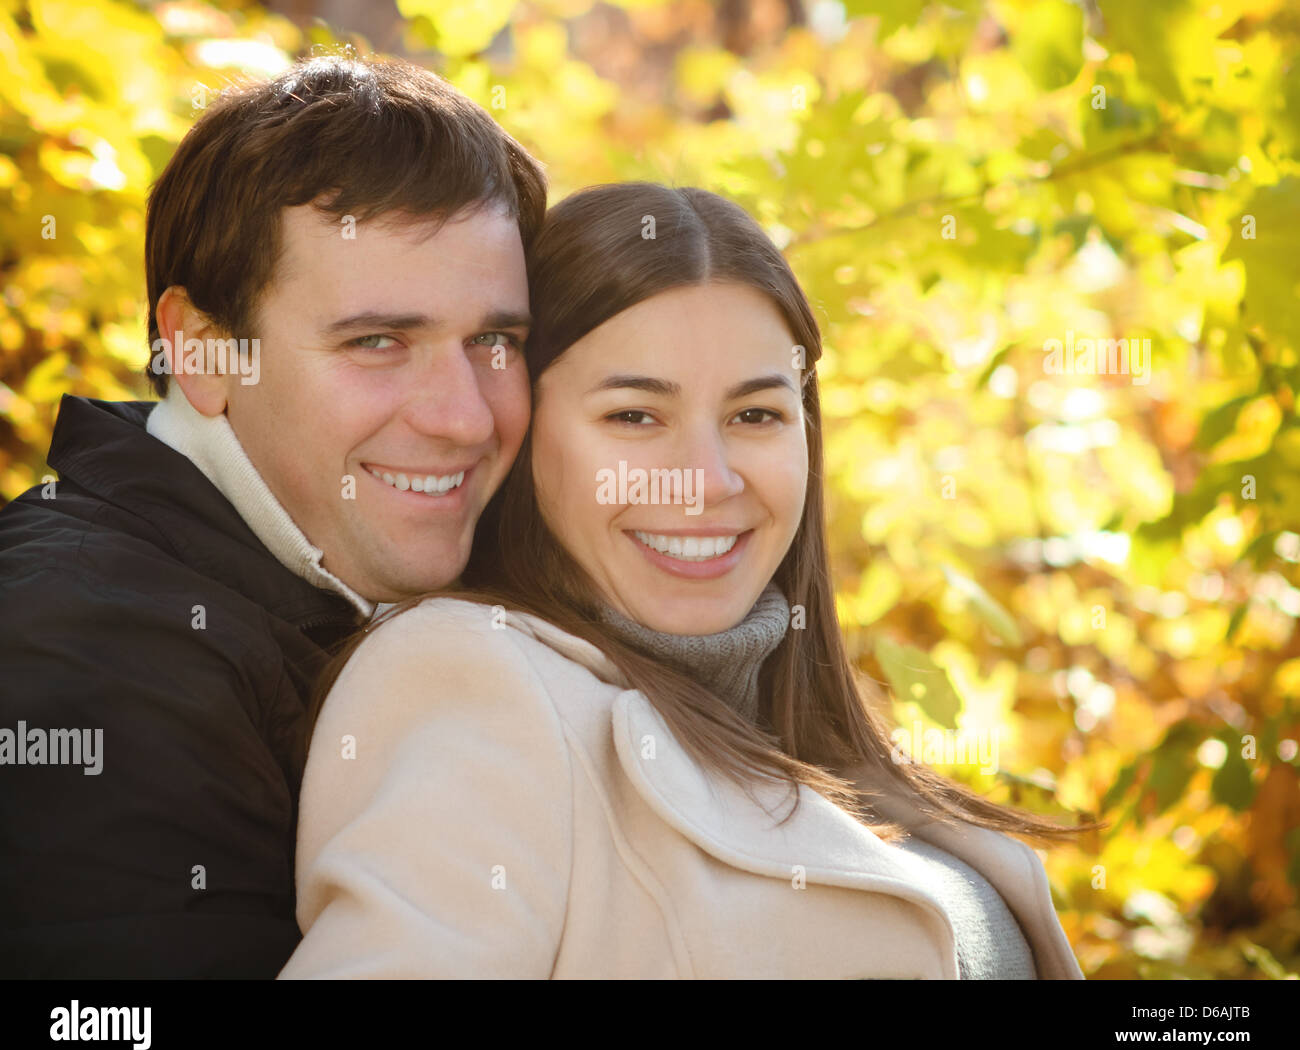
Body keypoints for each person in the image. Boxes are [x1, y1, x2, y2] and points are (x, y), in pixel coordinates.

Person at [280, 182, 1100, 979]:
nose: (705, 480)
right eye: (634, 416)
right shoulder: (474, 684)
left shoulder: (810, 737)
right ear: (525, 437)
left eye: (755, 416)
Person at [0, 54, 545, 978]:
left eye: (494, 341)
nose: (465, 416)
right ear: (204, 353)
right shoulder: (90, 655)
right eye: (378, 342)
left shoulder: (401, 572)